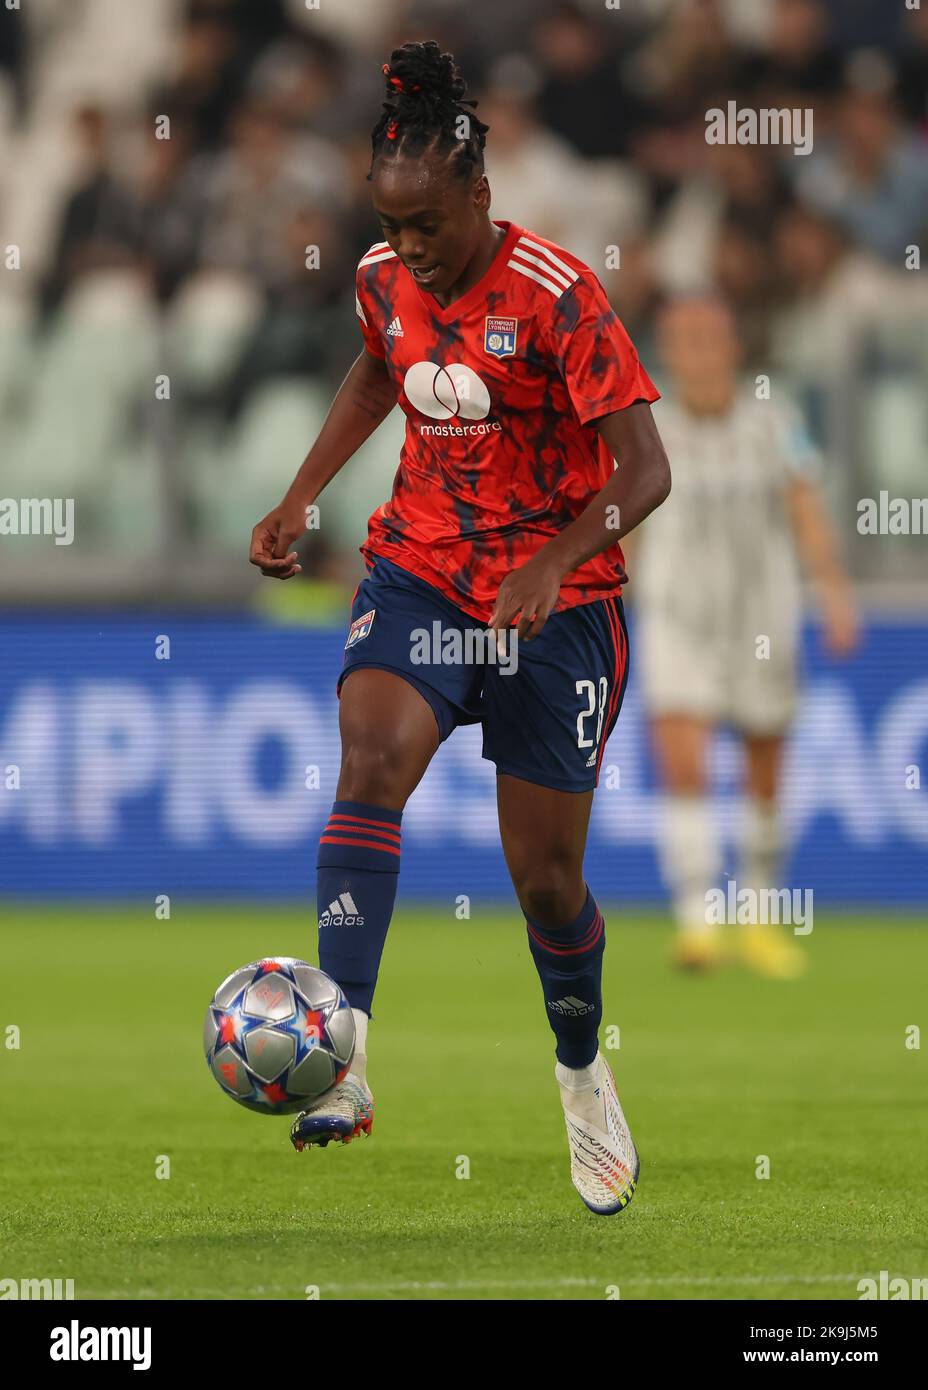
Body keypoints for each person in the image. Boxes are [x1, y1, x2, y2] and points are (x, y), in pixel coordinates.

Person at [249, 40, 670, 1216]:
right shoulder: (384, 278)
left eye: (429, 224)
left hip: (556, 610)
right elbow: (377, 376)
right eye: (394, 225)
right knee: (371, 761)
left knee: (544, 884)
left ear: (478, 195)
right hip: (422, 576)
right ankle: (342, 1051)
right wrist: (302, 494)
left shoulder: (558, 294)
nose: (412, 248)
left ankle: (582, 1069)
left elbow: (645, 467)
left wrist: (550, 562)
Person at [633, 294, 858, 976]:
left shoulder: (773, 421)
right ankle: (698, 923)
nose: (698, 352)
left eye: (710, 337)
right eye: (684, 339)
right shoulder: (647, 430)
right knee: (683, 763)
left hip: (763, 615)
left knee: (764, 767)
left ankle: (759, 916)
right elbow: (626, 522)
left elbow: (803, 504)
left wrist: (835, 592)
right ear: (668, 352)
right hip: (676, 614)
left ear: (733, 347)